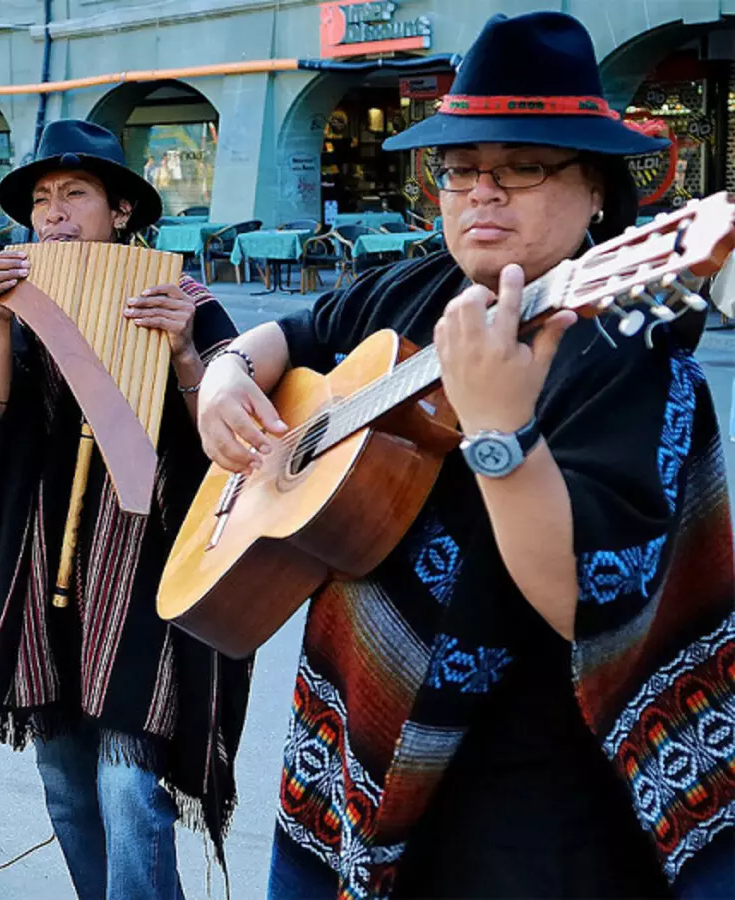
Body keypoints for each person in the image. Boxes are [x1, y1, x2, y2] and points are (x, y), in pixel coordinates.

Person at [196, 13, 735, 899]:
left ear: (597, 189)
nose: (483, 192)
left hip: (531, 810)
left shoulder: (628, 357)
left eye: (524, 166)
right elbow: (292, 331)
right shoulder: (415, 285)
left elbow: (590, 605)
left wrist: (500, 434)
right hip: (347, 762)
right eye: (460, 170)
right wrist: (225, 374)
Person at [0, 119, 253, 899]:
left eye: (74, 194)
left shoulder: (184, 300)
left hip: (146, 571)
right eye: (41, 199)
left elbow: (238, 434)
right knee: (62, 776)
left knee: (127, 780)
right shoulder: (21, 294)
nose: (52, 214)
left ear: (120, 213)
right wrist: (2, 322)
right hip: (45, 560)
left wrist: (184, 355)